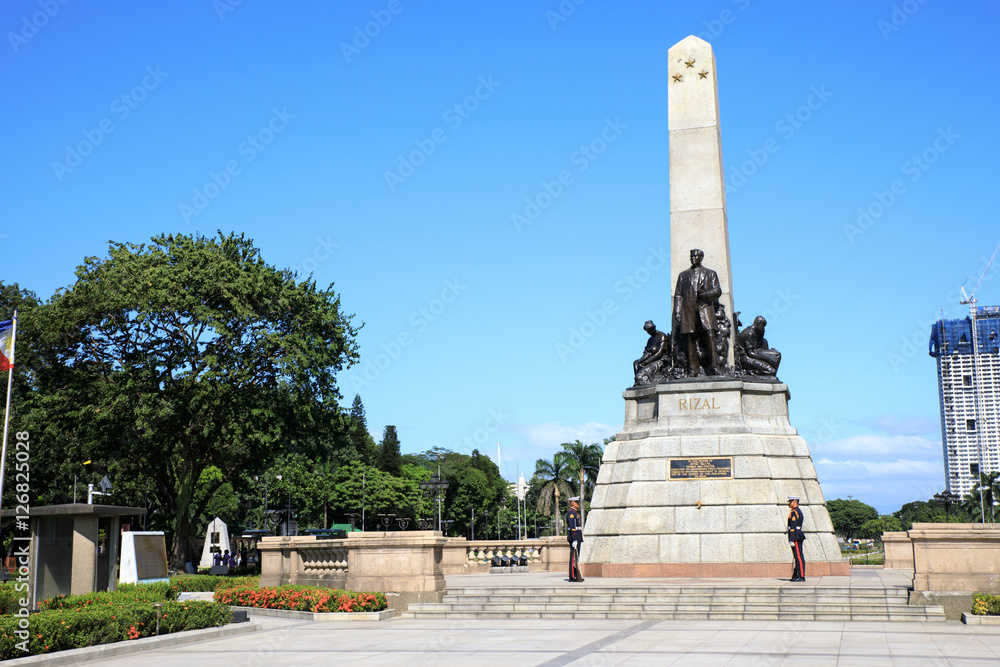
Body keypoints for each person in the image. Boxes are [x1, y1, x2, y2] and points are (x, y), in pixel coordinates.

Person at [672, 249, 723, 376]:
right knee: (690, 338)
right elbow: (678, 295)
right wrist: (677, 311)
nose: (693, 258)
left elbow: (717, 291)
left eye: (695, 256)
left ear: (701, 257)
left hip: (705, 308)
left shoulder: (710, 273)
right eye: (691, 256)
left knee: (710, 336)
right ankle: (692, 369)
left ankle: (715, 367)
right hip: (688, 310)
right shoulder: (683, 275)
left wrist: (706, 295)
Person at [633, 320, 671, 386]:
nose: (649, 333)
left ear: (654, 328)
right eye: (648, 331)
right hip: (650, 360)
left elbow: (659, 353)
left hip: (660, 360)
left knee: (640, 376)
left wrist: (646, 362)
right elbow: (646, 353)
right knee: (636, 363)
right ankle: (638, 383)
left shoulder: (662, 336)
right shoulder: (650, 339)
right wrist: (640, 361)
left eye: (650, 330)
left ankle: (645, 384)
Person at [787, 496, 806, 581]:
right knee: (797, 556)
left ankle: (801, 575)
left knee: (798, 556)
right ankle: (796, 574)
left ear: (794, 502)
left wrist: (791, 539)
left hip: (795, 535)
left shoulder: (794, 512)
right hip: (797, 534)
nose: (789, 503)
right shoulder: (796, 511)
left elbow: (793, 527)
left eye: (790, 502)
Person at [566, 497, 584, 582]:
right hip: (574, 538)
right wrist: (574, 539)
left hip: (577, 537)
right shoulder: (571, 513)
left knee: (576, 557)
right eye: (576, 502)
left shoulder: (575, 513)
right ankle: (572, 576)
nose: (578, 504)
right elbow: (572, 528)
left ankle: (576, 575)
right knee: (573, 557)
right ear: (572, 503)